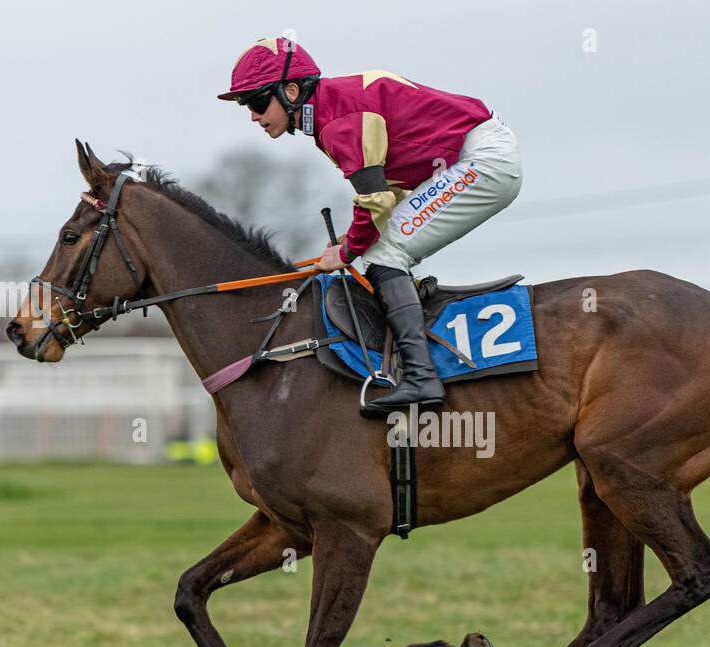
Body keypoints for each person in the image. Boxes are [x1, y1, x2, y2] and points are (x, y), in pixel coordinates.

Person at [218, 37, 522, 418]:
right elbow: (387, 192)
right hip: (478, 154)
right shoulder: (330, 109)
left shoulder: (336, 121)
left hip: (484, 161)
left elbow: (376, 200)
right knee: (380, 245)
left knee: (382, 251)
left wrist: (347, 252)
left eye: (257, 102)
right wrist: (355, 238)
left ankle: (420, 377)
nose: (253, 116)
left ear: (291, 91)